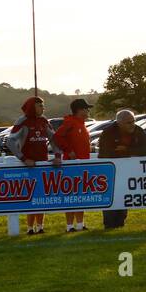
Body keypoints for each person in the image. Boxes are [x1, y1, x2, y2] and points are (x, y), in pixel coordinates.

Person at [6, 96, 60, 234]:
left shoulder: (43, 121)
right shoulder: (22, 121)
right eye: (40, 106)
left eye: (43, 105)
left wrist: (57, 156)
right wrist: (24, 159)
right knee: (31, 197)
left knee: (41, 196)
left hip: (43, 164)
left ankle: (40, 227)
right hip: (28, 166)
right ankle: (30, 228)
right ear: (32, 107)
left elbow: (54, 139)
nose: (43, 108)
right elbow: (10, 142)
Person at [96, 109, 146, 229]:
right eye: (129, 122)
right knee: (111, 197)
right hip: (110, 172)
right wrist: (126, 153)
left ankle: (120, 223)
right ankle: (109, 224)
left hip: (128, 171)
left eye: (133, 121)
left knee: (124, 196)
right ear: (119, 123)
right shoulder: (108, 132)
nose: (132, 124)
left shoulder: (138, 130)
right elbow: (104, 153)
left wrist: (127, 150)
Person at [53, 98, 92, 232]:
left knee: (80, 195)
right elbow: (58, 136)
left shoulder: (81, 124)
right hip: (72, 165)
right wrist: (69, 151)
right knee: (71, 195)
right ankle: (70, 225)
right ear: (79, 110)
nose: (88, 111)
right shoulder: (71, 122)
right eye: (86, 108)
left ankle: (80, 224)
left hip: (81, 164)